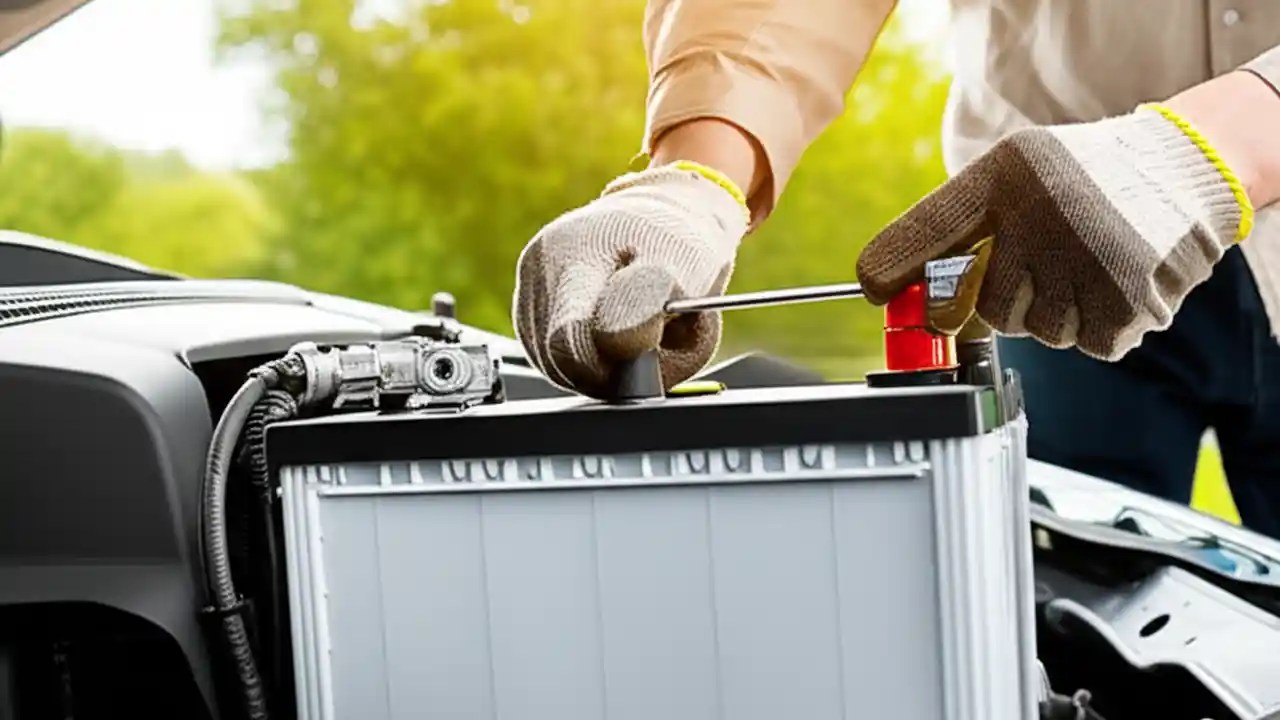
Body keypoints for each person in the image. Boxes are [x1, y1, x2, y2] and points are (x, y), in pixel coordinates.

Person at [511, 1, 1280, 536]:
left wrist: (1212, 150)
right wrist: (696, 179)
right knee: (1063, 621)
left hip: (1103, 211)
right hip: (1044, 251)